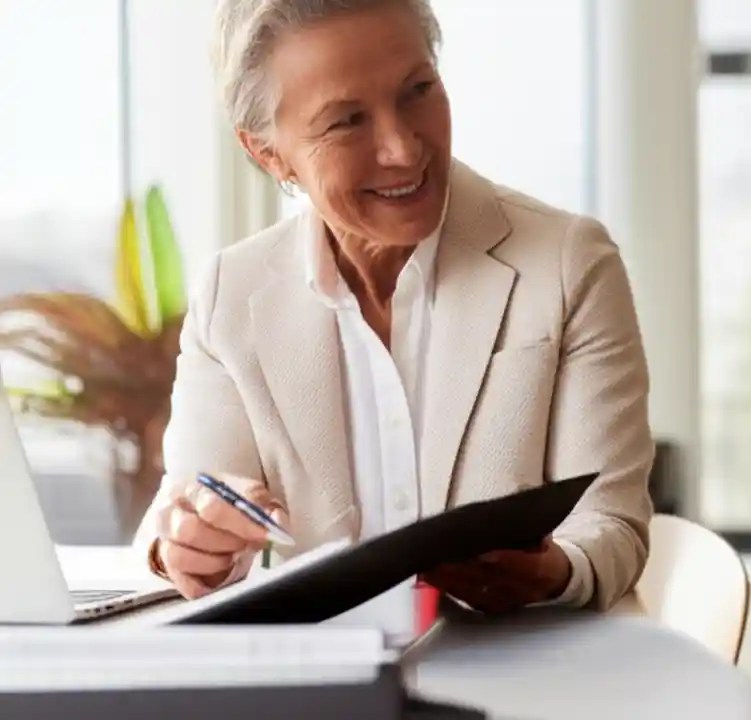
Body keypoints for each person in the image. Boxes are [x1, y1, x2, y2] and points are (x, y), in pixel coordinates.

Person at [133, 0, 654, 615]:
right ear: (268, 154)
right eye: (347, 121)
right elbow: (186, 507)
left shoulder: (567, 262)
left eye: (418, 90)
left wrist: (555, 570)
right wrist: (188, 547)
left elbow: (612, 524)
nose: (404, 149)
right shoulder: (232, 294)